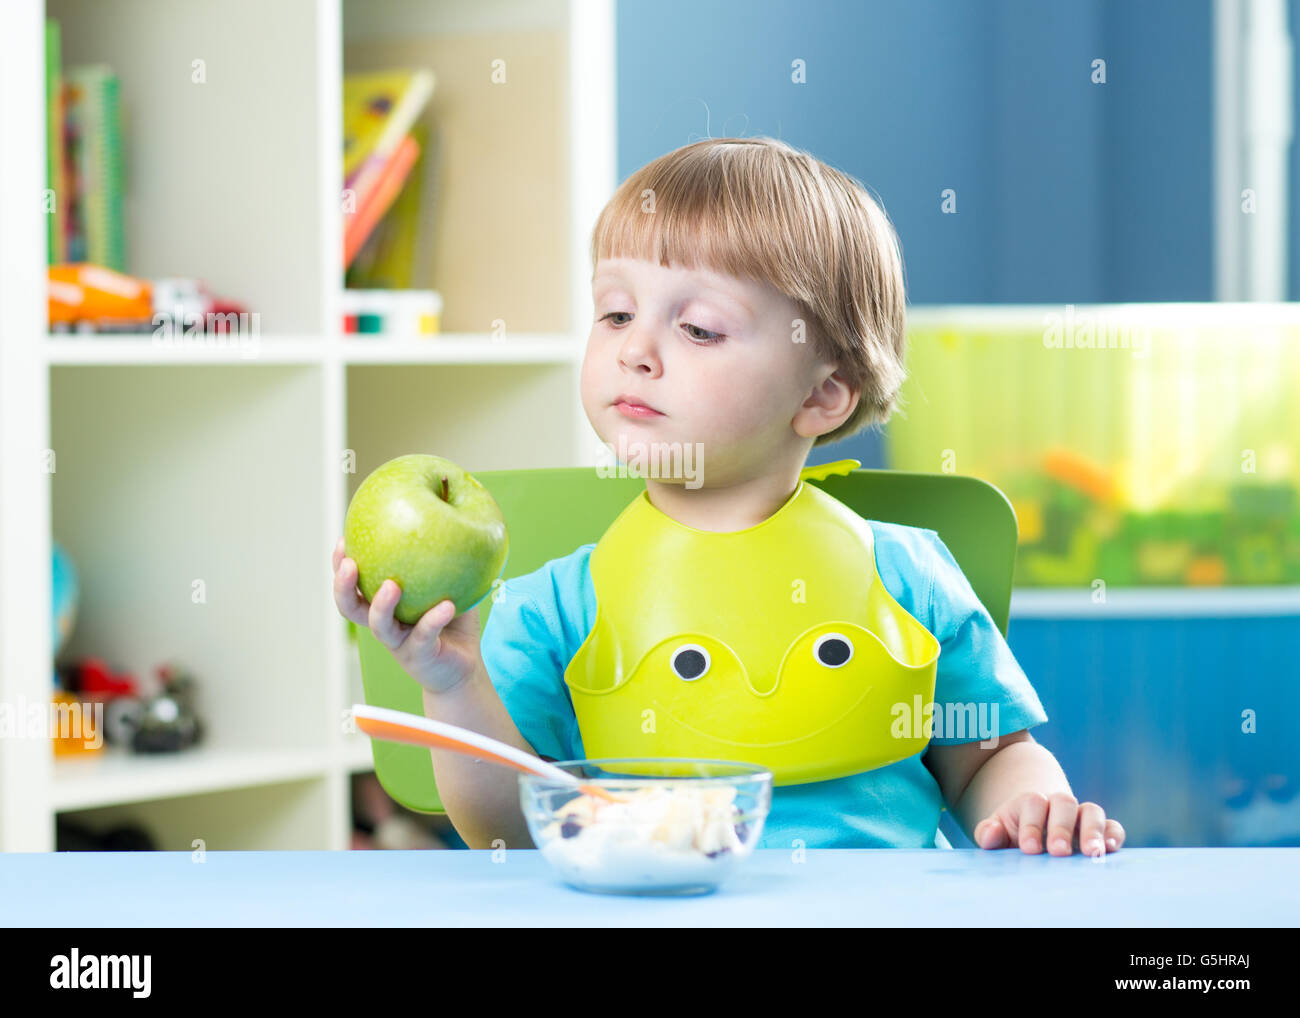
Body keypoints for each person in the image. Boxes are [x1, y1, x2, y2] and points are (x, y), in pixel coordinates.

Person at [332, 137, 1125, 856]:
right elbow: (507, 831)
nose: (636, 350)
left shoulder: (910, 575)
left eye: (700, 329)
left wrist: (1033, 804)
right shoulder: (555, 610)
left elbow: (989, 759)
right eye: (615, 312)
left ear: (823, 396)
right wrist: (452, 681)